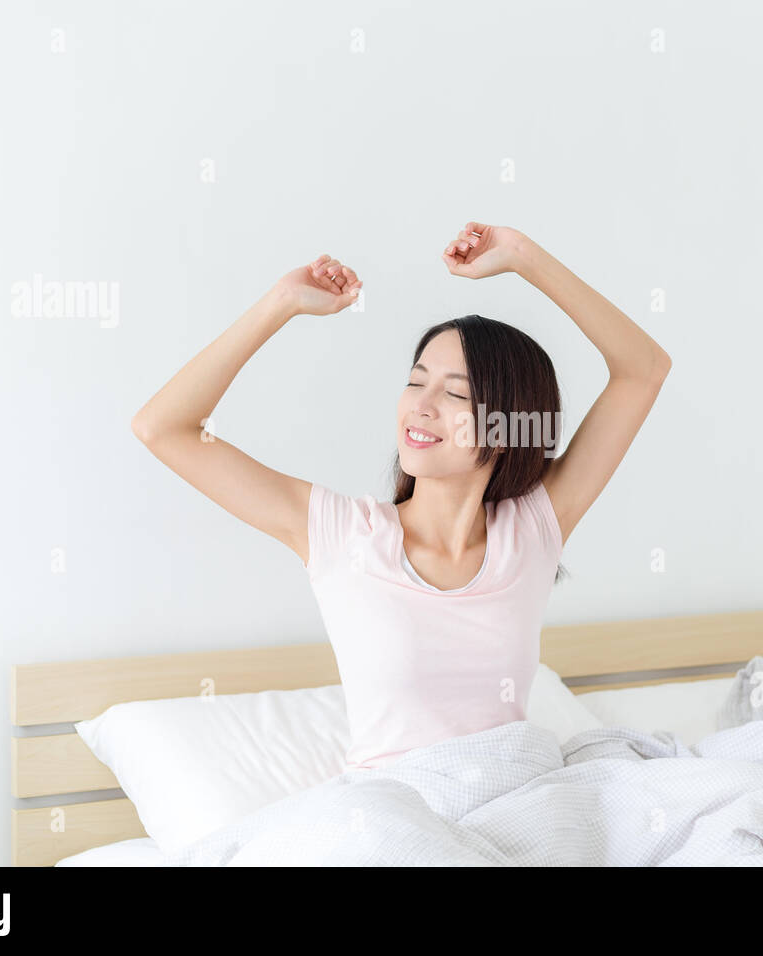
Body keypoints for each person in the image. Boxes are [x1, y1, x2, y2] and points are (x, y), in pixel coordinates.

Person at [131, 221, 672, 769]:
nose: (422, 404)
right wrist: (282, 303)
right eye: (416, 382)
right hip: (394, 827)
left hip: (512, 805)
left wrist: (521, 256)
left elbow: (644, 369)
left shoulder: (533, 529)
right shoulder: (342, 535)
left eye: (455, 392)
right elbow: (163, 427)